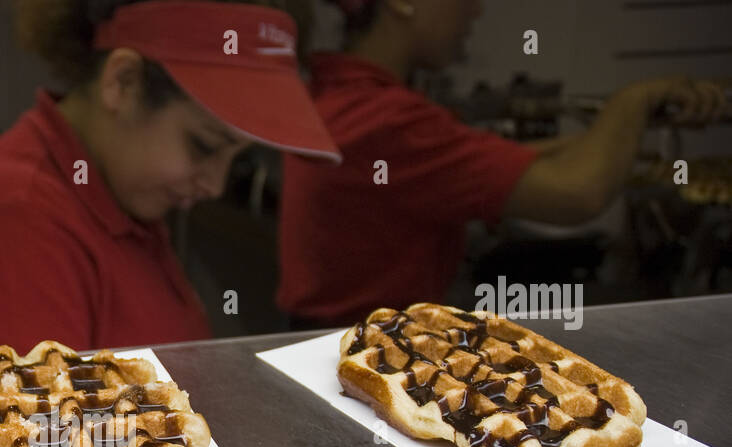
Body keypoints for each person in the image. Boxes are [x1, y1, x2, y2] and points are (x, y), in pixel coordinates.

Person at [0, 0, 340, 367]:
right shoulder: (10, 221)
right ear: (123, 81)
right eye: (204, 146)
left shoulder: (120, 194)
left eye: (238, 158)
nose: (215, 185)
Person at [277, 0, 728, 327]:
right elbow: (578, 194)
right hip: (364, 338)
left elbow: (486, 157)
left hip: (323, 328)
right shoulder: (385, 117)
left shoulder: (337, 93)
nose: (474, 10)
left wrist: (615, 132)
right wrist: (636, 100)